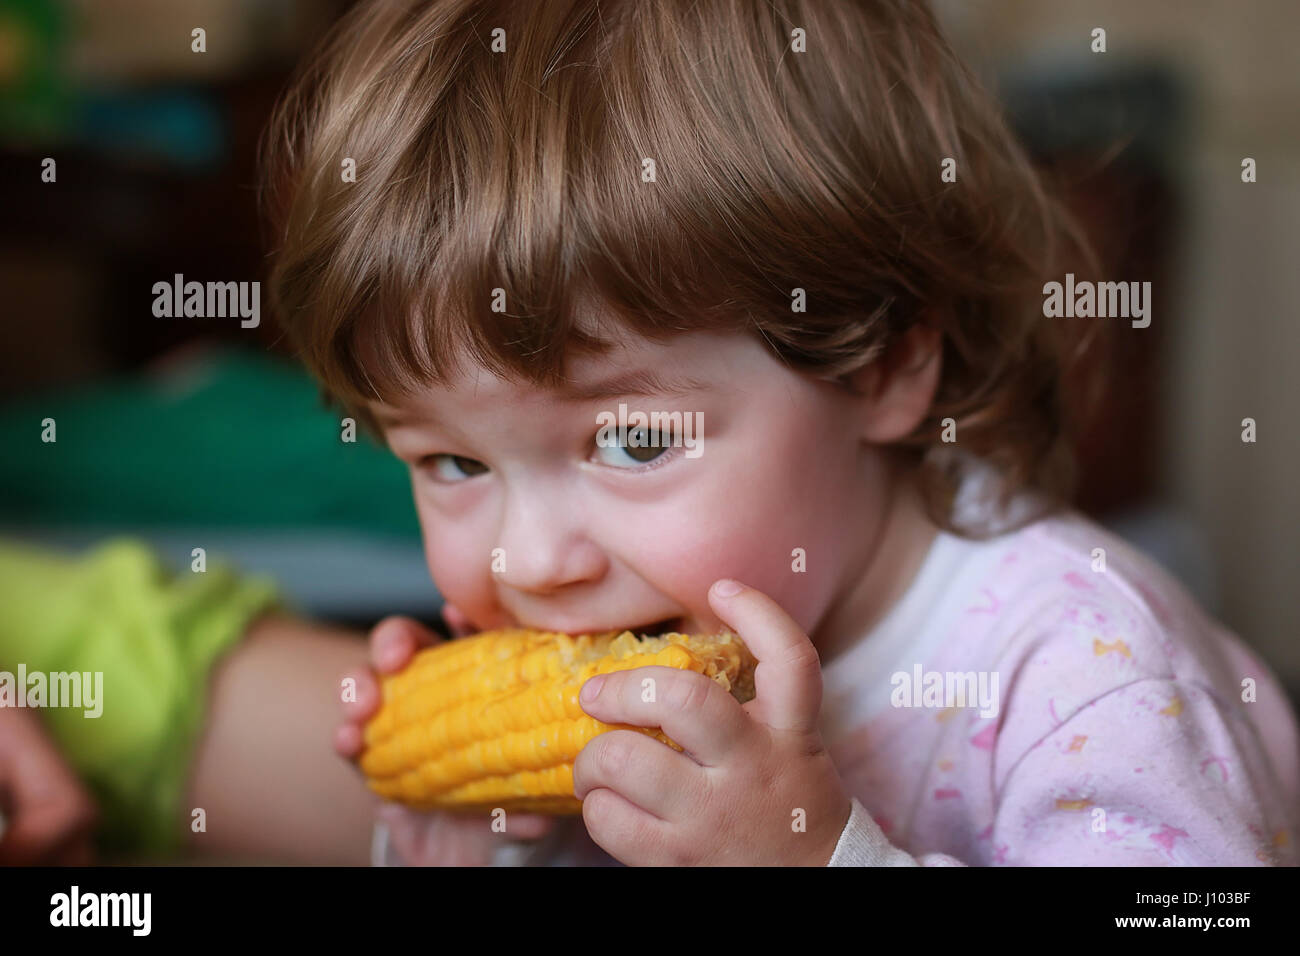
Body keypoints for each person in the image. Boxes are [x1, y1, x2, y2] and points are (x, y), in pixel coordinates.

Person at [260, 0, 1300, 865]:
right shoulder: (667, 649)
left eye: (631, 441)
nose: (528, 561)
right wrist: (497, 843)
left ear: (886, 364)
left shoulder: (1083, 672)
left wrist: (819, 855)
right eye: (452, 460)